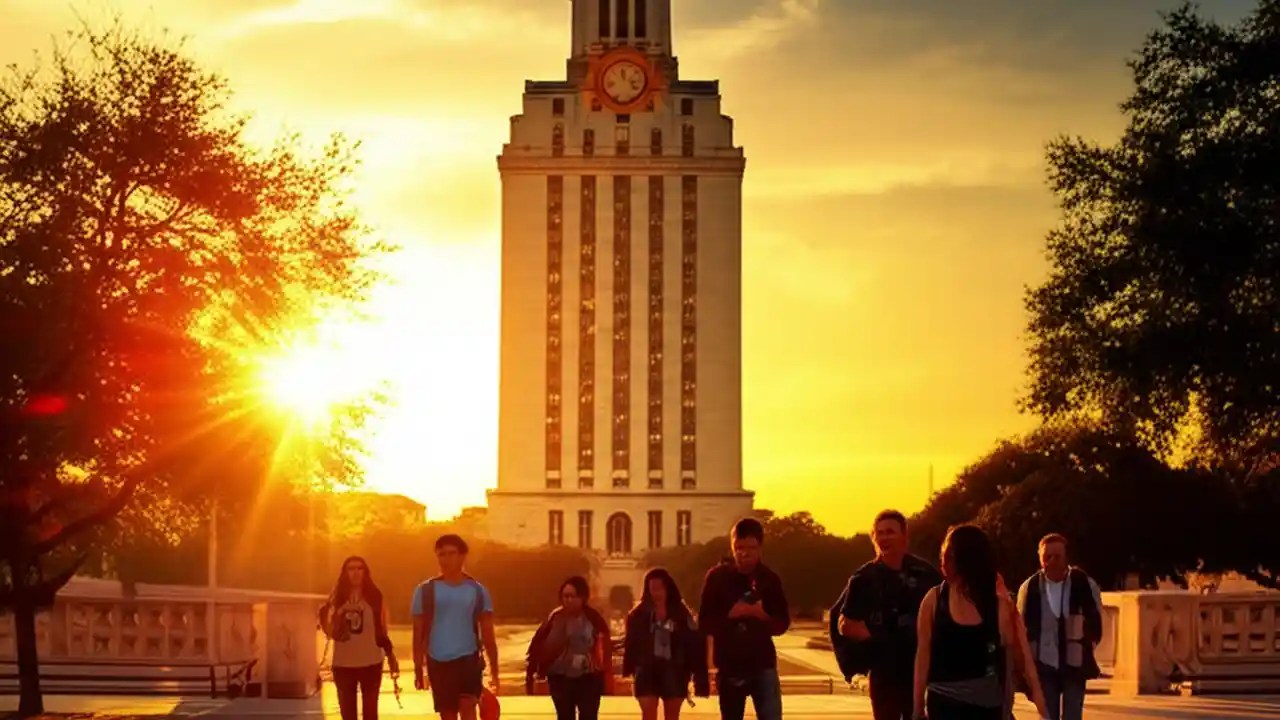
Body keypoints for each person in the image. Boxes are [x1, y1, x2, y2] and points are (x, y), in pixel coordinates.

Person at [913, 525, 1049, 720]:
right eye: (943, 553)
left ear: (967, 558)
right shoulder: (934, 600)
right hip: (943, 703)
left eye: (950, 555)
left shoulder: (999, 605)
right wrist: (917, 708)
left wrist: (1040, 705)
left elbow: (1020, 660)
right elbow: (923, 656)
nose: (943, 560)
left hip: (987, 706)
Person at [836, 510, 943, 720]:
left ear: (905, 537)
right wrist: (871, 634)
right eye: (879, 533)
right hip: (884, 672)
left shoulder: (925, 574)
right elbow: (845, 623)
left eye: (890, 532)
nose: (884, 538)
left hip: (921, 670)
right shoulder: (863, 579)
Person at [697, 518, 789, 720]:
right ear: (732, 546)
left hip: (762, 664)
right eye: (739, 547)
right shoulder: (717, 578)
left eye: (750, 548)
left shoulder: (769, 579)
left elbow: (782, 623)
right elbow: (704, 622)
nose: (744, 553)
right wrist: (730, 616)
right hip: (730, 667)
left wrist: (761, 615)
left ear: (760, 548)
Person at [1015, 534, 1103, 720]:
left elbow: (1096, 622)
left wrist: (1086, 645)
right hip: (1044, 665)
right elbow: (1020, 629)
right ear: (1040, 559)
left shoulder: (1084, 584)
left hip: (1075, 665)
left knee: (1073, 715)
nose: (1052, 561)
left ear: (1066, 558)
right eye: (1048, 557)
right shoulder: (1029, 588)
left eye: (1057, 556)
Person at [412, 535, 500, 720]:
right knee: (448, 714)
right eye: (441, 554)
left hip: (468, 658)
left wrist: (495, 670)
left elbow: (488, 633)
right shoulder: (425, 591)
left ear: (462, 556)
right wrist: (418, 668)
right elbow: (418, 632)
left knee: (468, 709)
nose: (446, 559)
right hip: (438, 660)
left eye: (451, 554)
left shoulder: (477, 590)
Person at [622, 568, 709, 720]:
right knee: (648, 714)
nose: (656, 594)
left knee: (672, 716)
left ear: (668, 589)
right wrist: (630, 667)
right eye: (652, 590)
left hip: (675, 669)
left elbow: (694, 644)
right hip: (647, 670)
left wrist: (698, 675)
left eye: (659, 589)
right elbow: (631, 643)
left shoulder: (681, 613)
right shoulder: (638, 614)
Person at [320, 556, 398, 720]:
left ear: (365, 572)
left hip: (371, 662)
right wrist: (341, 612)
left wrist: (391, 656)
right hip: (343, 664)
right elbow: (329, 631)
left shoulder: (375, 596)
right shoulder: (336, 598)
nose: (355, 573)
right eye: (351, 569)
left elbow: (383, 629)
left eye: (359, 568)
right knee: (348, 714)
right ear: (345, 572)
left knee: (370, 713)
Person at [525, 576, 615, 720]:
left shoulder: (593, 618)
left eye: (573, 596)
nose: (568, 600)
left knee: (589, 715)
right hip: (560, 677)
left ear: (582, 597)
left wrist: (607, 673)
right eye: (565, 596)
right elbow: (538, 645)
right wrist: (533, 673)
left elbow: (605, 647)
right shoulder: (555, 618)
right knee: (564, 716)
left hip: (589, 678)